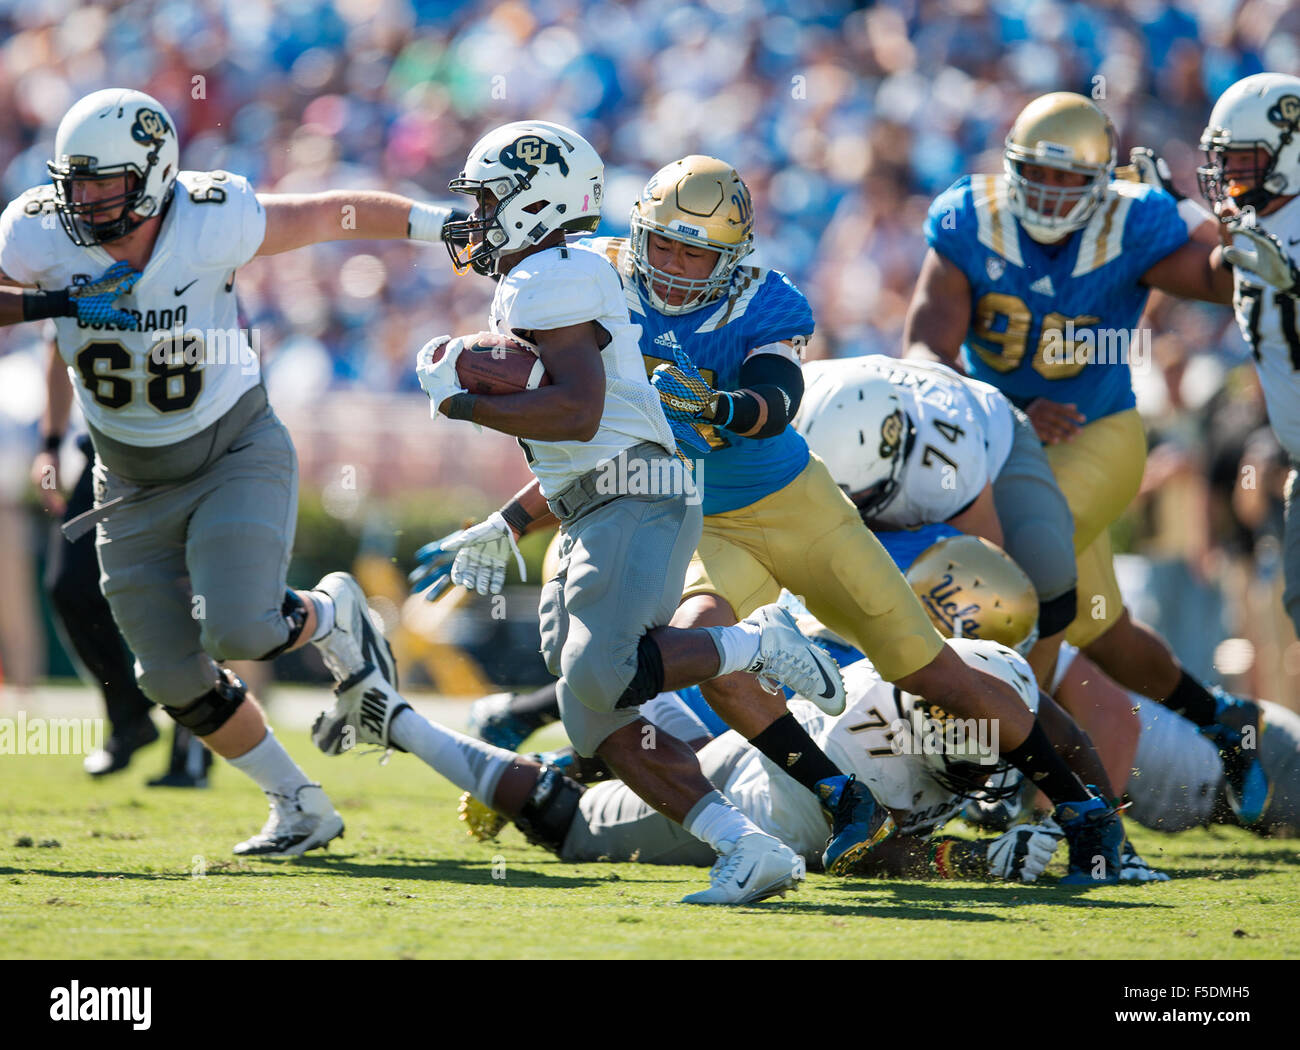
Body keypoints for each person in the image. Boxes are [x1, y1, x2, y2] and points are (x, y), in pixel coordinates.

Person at [370, 120, 852, 905]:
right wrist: (507, 515)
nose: (478, 216)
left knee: (607, 669)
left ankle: (753, 643)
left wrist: (463, 401)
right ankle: (746, 845)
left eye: (490, 199)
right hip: (599, 499)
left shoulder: (549, 277)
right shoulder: (554, 270)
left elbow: (579, 412)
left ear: (535, 203)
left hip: (639, 491)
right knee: (591, 714)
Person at [0, 87, 451, 854]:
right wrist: (59, 303)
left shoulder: (212, 216)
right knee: (169, 676)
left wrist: (442, 226)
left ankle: (330, 615)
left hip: (229, 448)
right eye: (73, 181)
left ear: (151, 173)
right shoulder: (37, 231)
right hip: (125, 474)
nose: (83, 198)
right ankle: (299, 803)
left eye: (102, 182)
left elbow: (329, 215)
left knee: (240, 624)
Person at [902, 90, 1271, 826]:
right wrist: (997, 403)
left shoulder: (1133, 220)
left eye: (1070, 178)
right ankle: (1226, 720)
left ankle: (1006, 771)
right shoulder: (969, 217)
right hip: (997, 438)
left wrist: (1200, 215)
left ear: (1101, 182)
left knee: (1022, 578)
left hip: (1092, 436)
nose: (1050, 191)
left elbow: (1228, 280)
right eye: (1036, 173)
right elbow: (924, 351)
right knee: (1103, 631)